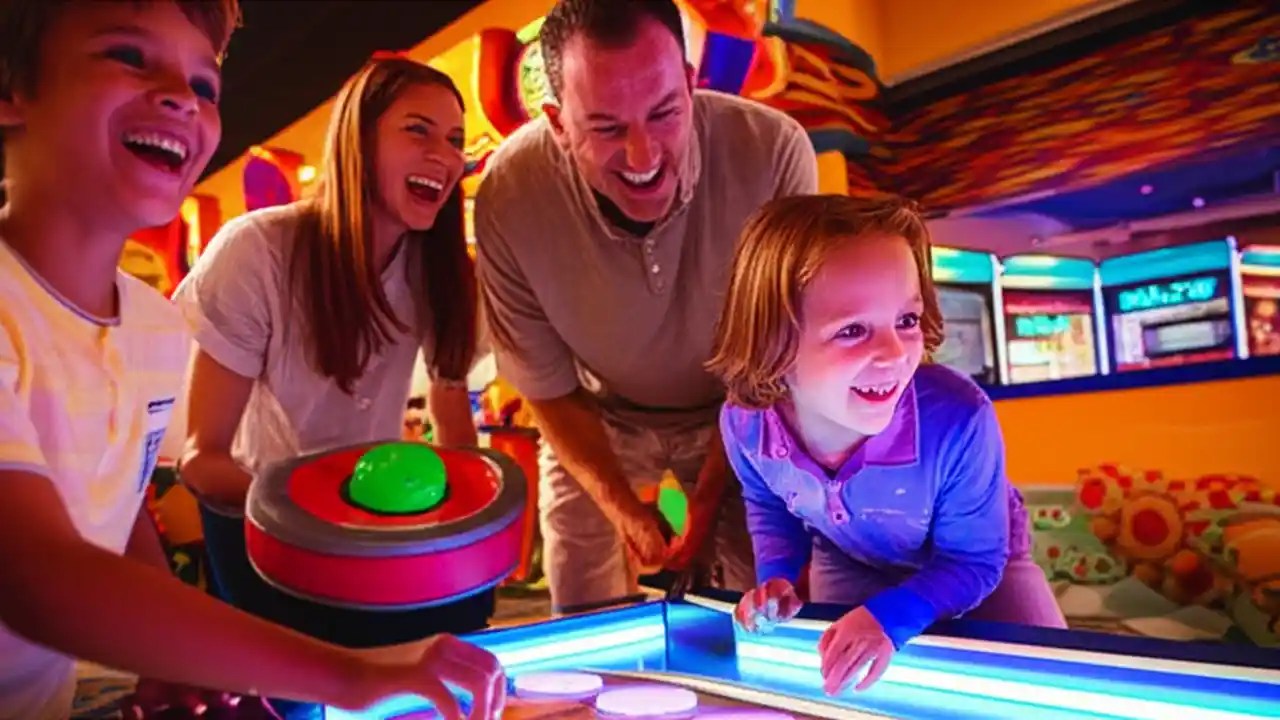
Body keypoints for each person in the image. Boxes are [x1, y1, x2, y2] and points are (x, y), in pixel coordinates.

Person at [0, 3, 503, 719]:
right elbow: (40, 575)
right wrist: (348, 673)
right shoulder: (258, 251)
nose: (179, 95)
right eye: (129, 56)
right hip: (265, 537)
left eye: (204, 86)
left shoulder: (147, 327)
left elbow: (118, 513)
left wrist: (165, 652)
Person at [474, 0, 819, 614]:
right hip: (596, 407)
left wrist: (708, 505)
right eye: (606, 128)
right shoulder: (510, 191)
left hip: (741, 402)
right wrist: (625, 511)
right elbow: (548, 389)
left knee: (760, 588)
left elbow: (773, 365)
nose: (642, 157)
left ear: (690, 84)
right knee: (580, 586)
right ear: (557, 122)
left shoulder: (772, 152)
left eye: (664, 113)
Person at [172, 55, 495, 650]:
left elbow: (455, 434)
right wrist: (314, 515)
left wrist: (459, 534)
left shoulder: (440, 272)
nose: (446, 158)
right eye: (417, 130)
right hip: (258, 529)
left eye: (454, 140)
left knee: (455, 638)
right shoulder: (258, 251)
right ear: (357, 139)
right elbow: (202, 459)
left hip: (373, 531)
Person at [707, 195, 1066, 695]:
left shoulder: (959, 419)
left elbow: (974, 560)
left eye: (907, 320)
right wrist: (779, 577)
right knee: (850, 692)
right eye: (853, 330)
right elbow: (770, 502)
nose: (896, 354)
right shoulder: (746, 425)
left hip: (982, 562)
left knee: (1050, 686)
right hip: (847, 558)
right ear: (772, 343)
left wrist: (893, 617)